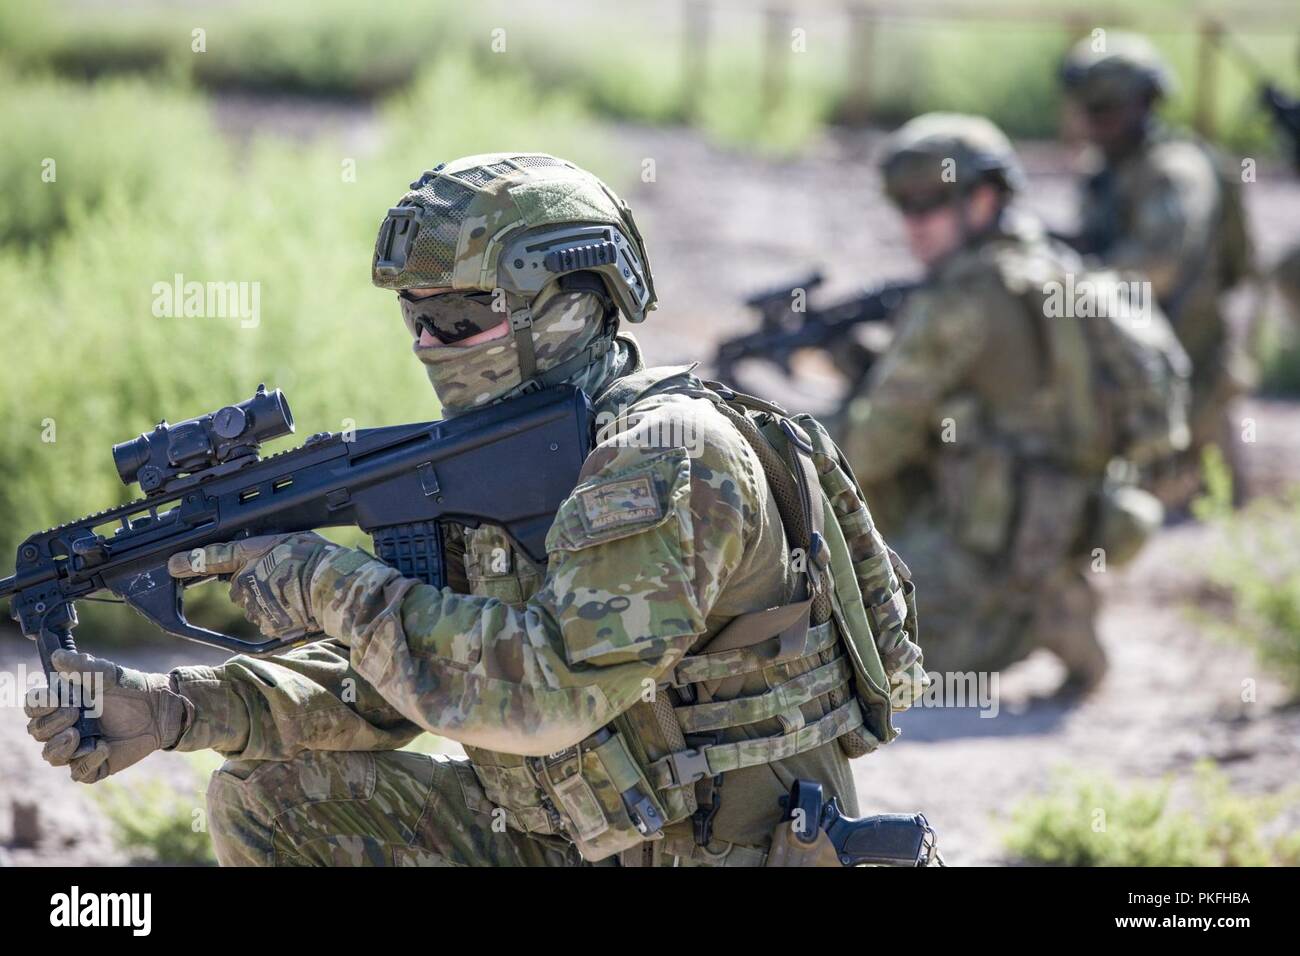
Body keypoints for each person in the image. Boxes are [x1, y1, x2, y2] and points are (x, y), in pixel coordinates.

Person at [25, 153, 922, 867]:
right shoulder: (513, 462)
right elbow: (408, 679)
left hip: (721, 852)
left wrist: (323, 581)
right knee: (268, 799)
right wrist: (182, 710)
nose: (430, 346)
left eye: (461, 318)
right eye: (416, 319)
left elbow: (549, 694)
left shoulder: (663, 454)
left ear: (571, 298)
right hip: (582, 837)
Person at [840, 114, 1184, 695]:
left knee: (845, 637)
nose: (914, 222)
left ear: (984, 199)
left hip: (983, 554)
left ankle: (1018, 618)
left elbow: (867, 449)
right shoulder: (1055, 271)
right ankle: (1059, 605)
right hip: (1069, 529)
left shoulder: (962, 297)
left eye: (931, 202)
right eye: (904, 204)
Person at [1060, 32, 1255, 505]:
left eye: (1105, 109)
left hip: (1188, 364)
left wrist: (1072, 282)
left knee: (1204, 503)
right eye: (1087, 109)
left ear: (1145, 102)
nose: (1092, 122)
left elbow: (1159, 267)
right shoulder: (1106, 170)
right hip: (1135, 365)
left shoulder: (1174, 170)